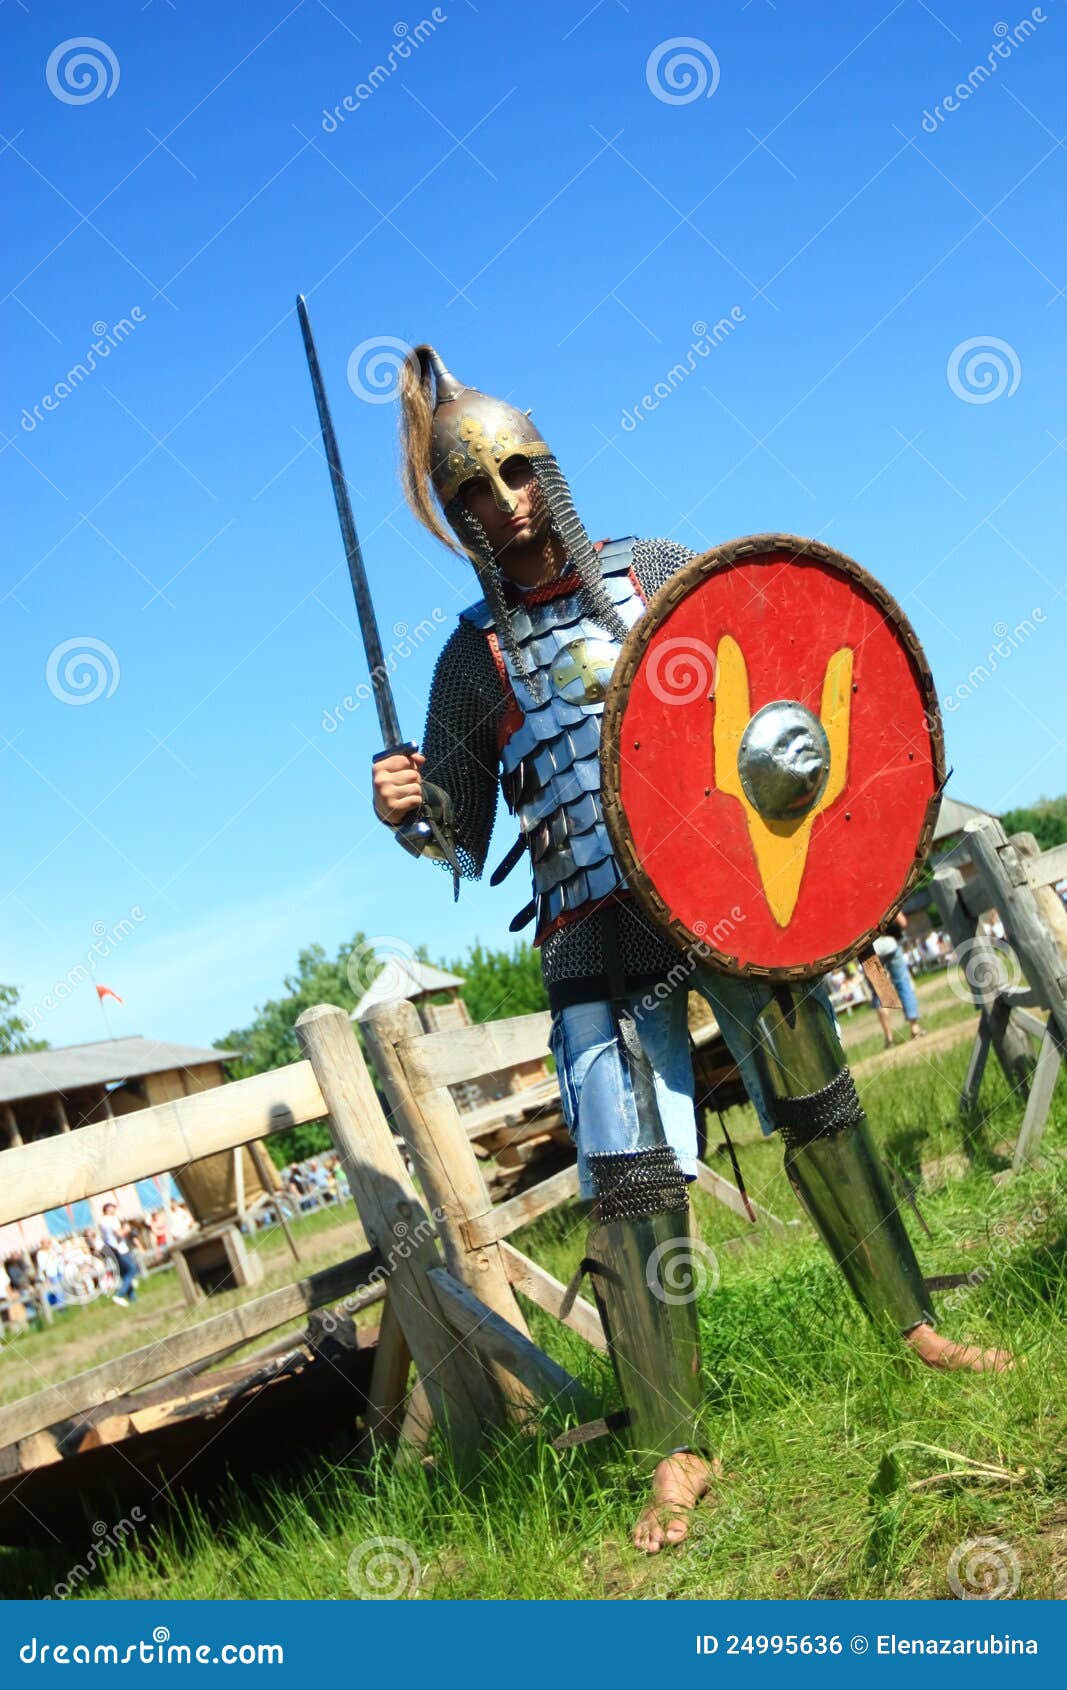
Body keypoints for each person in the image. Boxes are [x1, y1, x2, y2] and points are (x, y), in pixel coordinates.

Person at [372, 345, 1011, 1554]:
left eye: (515, 472)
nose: (502, 502)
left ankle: (911, 1324)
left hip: (728, 891)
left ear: (547, 470)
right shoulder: (471, 657)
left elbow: (774, 698)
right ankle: (676, 1443)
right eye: (471, 492)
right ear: (453, 517)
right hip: (590, 927)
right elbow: (457, 835)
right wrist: (410, 808)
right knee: (628, 1178)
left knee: (820, 1103)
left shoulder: (657, 574)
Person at [866, 911, 925, 1046]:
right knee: (903, 984)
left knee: (880, 993)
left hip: (868, 950)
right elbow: (903, 922)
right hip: (890, 944)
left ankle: (889, 1039)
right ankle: (915, 1028)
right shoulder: (881, 898)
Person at [99, 1202, 139, 1306]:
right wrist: (127, 1228)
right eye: (113, 1208)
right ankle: (119, 1294)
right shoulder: (112, 1220)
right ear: (108, 1209)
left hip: (112, 1250)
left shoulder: (102, 1221)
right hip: (120, 1249)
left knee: (125, 1274)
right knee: (132, 1270)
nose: (114, 1210)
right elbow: (119, 1233)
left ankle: (133, 1298)